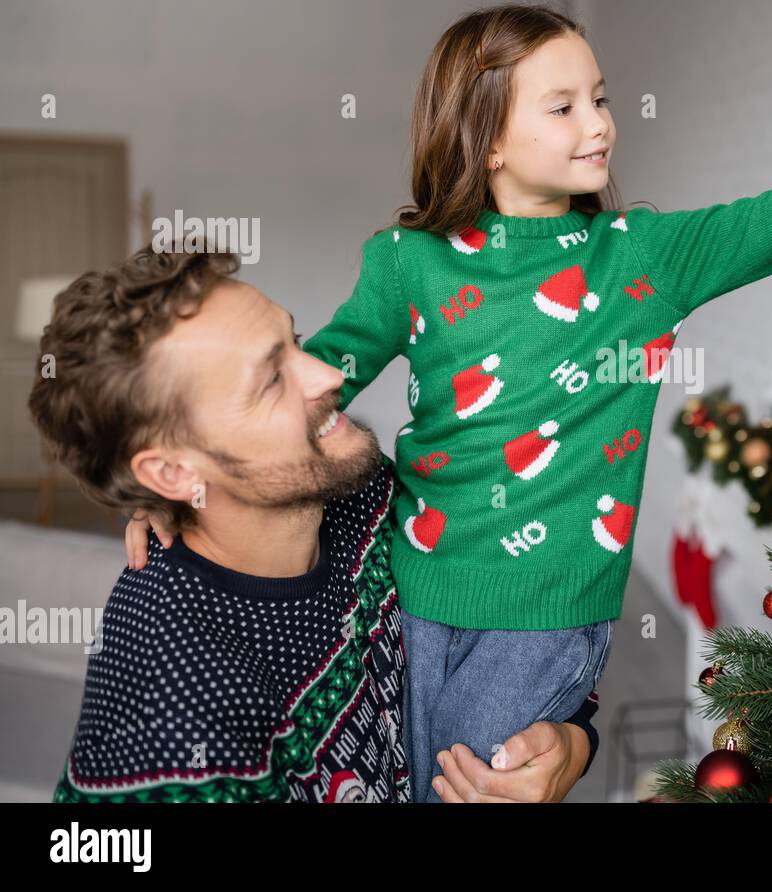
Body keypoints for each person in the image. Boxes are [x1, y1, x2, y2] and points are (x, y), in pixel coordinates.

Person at [285, 2, 772, 803]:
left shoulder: (642, 257)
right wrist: (185, 476)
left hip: (541, 621)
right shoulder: (407, 263)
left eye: (601, 98)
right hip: (403, 597)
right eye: (564, 107)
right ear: (488, 140)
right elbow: (311, 382)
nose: (600, 123)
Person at [29, 246, 598, 802]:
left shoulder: (362, 489)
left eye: (294, 342)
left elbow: (501, 624)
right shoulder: (175, 712)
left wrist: (572, 747)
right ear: (173, 470)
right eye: (271, 381)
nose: (329, 375)